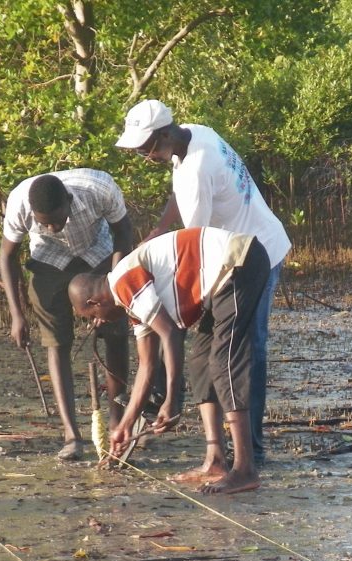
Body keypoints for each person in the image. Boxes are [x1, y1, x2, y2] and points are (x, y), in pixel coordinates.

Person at [116, 100, 289, 467]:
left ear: (164, 134)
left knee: (243, 353)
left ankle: (250, 454)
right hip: (240, 253)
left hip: (249, 256)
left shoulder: (197, 168)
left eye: (147, 148)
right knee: (215, 353)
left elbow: (193, 251)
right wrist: (158, 232)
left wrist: (176, 322)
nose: (146, 157)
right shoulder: (194, 134)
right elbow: (177, 198)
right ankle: (221, 452)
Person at [68, 227, 269, 496]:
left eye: (92, 315)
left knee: (224, 364)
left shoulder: (123, 282)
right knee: (201, 365)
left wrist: (172, 399)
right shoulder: (132, 306)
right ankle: (215, 461)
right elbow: (147, 366)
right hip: (221, 281)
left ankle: (245, 469)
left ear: (94, 302)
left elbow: (170, 333)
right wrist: (124, 426)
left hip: (238, 262)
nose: (98, 322)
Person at [0, 170, 134, 460]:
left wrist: (114, 287)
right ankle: (72, 435)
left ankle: (118, 423)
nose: (53, 228)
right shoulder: (20, 203)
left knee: (115, 333)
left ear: (70, 202)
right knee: (56, 343)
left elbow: (123, 233)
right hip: (48, 263)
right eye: (44, 223)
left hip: (97, 257)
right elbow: (7, 256)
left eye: (58, 221)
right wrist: (16, 315)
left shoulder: (100, 189)